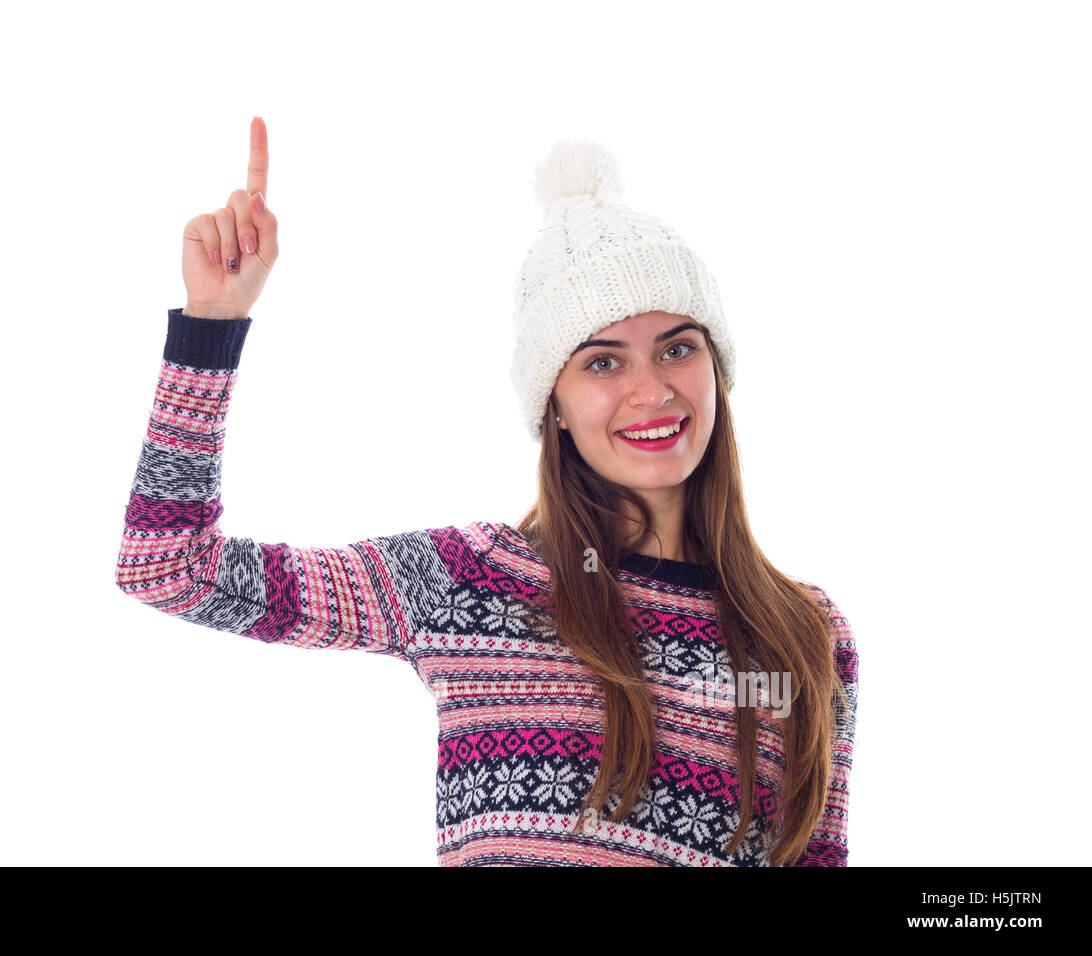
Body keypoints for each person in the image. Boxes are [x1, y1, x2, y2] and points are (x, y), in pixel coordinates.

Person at [115, 116, 858, 867]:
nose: (652, 391)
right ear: (554, 405)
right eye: (603, 363)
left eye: (678, 348)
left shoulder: (805, 637)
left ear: (715, 368)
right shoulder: (467, 582)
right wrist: (210, 328)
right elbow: (169, 568)